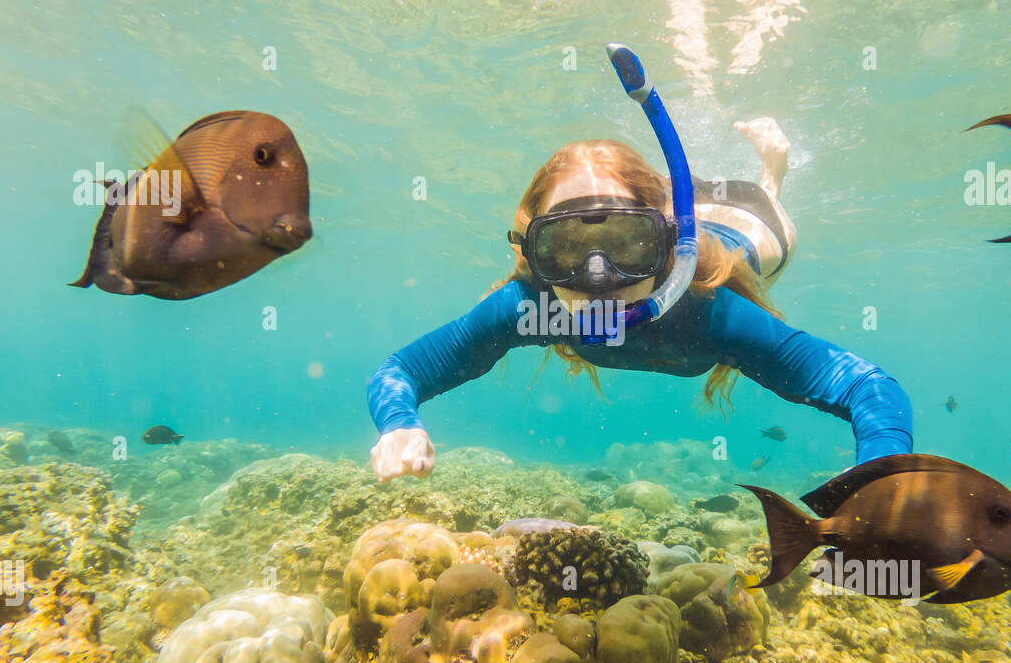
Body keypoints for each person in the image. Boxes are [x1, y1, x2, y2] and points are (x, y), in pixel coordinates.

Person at [367, 114, 913, 483]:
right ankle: (666, 199)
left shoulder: (712, 310)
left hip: (751, 229)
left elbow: (870, 388)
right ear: (534, 254)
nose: (598, 278)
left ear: (667, 245)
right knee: (648, 196)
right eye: (566, 248)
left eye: (628, 243)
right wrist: (399, 423)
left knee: (771, 215)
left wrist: (882, 482)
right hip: (674, 212)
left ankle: (772, 175)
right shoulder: (531, 307)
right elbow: (400, 371)